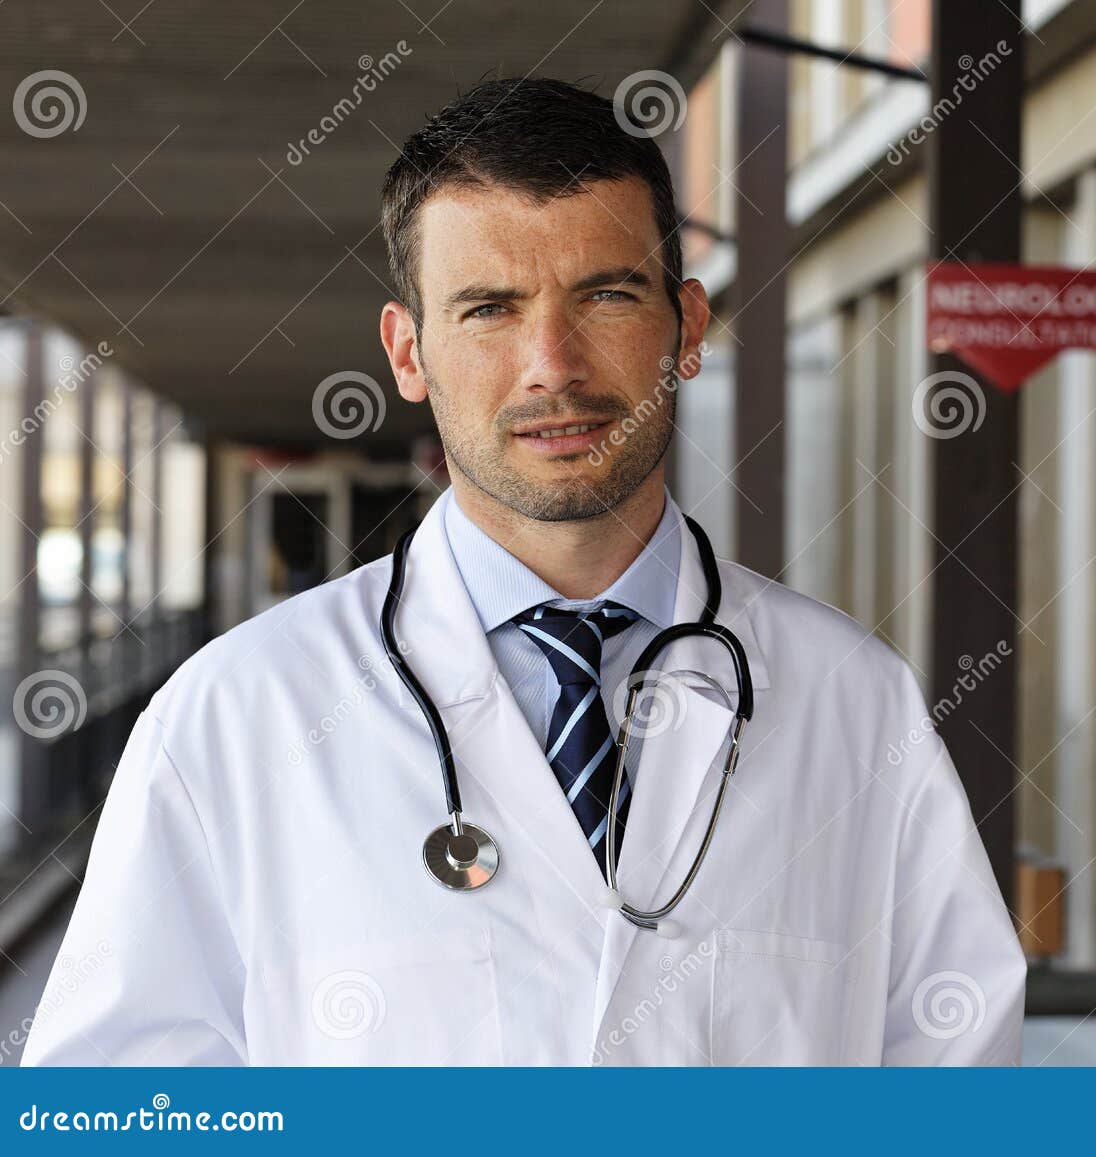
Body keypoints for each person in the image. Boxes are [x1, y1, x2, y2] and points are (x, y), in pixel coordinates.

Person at [21, 77, 1024, 1066]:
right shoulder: (234, 718)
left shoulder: (853, 703)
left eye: (606, 294)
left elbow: (957, 1080)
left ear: (686, 327)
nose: (552, 364)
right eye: (490, 308)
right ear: (408, 350)